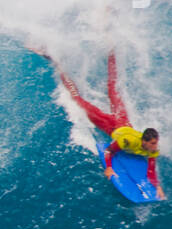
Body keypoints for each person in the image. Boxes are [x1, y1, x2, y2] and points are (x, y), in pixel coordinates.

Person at [40, 50, 165, 200]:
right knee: (77, 99)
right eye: (152, 143)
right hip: (110, 124)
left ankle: (111, 49)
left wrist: (157, 187)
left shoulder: (153, 151)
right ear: (144, 141)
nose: (155, 146)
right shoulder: (128, 142)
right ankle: (57, 63)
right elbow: (108, 151)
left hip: (123, 120)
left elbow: (150, 171)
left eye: (155, 143)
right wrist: (109, 168)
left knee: (112, 88)